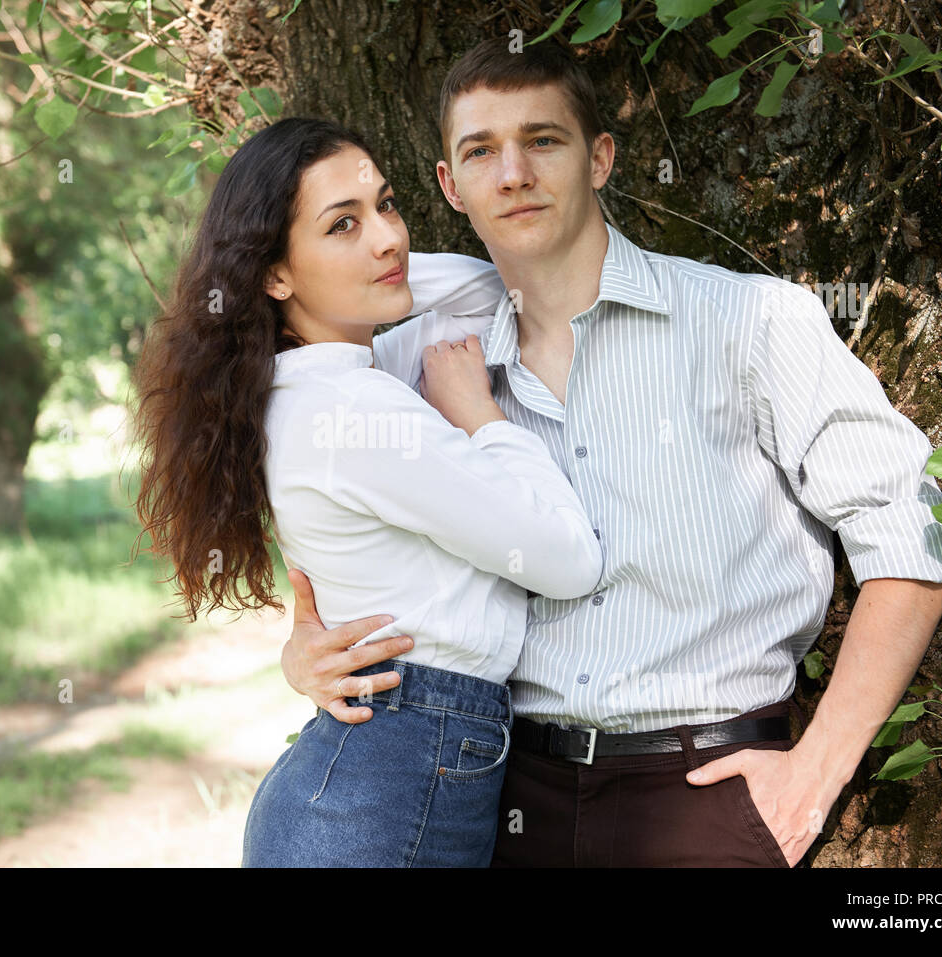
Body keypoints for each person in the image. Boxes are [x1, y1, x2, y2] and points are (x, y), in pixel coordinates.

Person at [280, 36, 942, 867]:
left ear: (600, 157)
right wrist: (303, 631)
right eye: (481, 152)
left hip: (709, 799)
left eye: (543, 140)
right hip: (501, 803)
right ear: (450, 186)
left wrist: (815, 774)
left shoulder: (749, 324)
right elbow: (330, 502)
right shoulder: (418, 364)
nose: (513, 174)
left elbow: (915, 523)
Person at [128, 115, 603, 867]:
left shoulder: (340, 376)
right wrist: (480, 416)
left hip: (377, 780)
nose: (388, 238)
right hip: (381, 799)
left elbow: (496, 288)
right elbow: (570, 557)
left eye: (386, 205)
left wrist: (371, 267)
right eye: (342, 225)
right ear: (274, 274)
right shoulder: (353, 410)